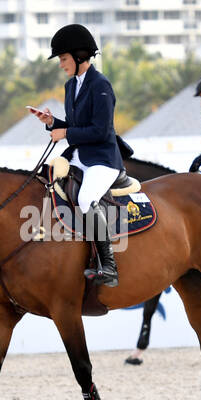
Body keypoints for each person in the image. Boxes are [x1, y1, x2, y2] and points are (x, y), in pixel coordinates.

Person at [34, 23, 132, 287]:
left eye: (63, 59)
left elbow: (100, 130)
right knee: (47, 179)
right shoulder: (71, 86)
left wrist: (65, 134)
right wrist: (52, 122)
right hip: (80, 154)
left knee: (87, 198)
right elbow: (75, 125)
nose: (61, 64)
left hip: (102, 158)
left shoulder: (101, 86)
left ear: (80, 56)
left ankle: (109, 267)